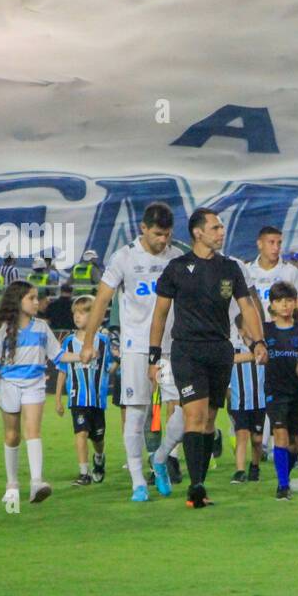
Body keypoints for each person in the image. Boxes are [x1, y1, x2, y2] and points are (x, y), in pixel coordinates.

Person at [148, 208, 266, 508]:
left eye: (221, 227)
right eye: (215, 227)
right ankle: (196, 487)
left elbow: (247, 307)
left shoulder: (231, 268)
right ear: (198, 232)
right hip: (188, 350)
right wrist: (153, 356)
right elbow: (160, 314)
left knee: (210, 420)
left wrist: (259, 341)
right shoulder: (177, 267)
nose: (221, 232)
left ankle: (198, 483)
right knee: (195, 415)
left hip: (220, 349)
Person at [78, 203, 184, 502]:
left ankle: (161, 457)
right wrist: (89, 342)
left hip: (171, 346)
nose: (163, 240)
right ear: (143, 228)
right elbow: (101, 301)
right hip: (136, 346)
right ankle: (138, 481)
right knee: (136, 412)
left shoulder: (176, 257)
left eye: (167, 234)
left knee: (186, 409)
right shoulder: (124, 257)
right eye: (158, 234)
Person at [0, 282, 80, 507]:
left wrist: (80, 357)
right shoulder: (3, 331)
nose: (37, 302)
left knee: (33, 431)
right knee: (12, 436)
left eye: (37, 298)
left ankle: (37, 482)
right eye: (32, 298)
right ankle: (12, 485)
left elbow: (58, 356)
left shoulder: (42, 328)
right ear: (18, 302)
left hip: (34, 384)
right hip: (8, 385)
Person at [260, 281, 298, 499]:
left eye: (289, 301)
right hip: (275, 391)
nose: (284, 305)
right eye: (279, 301)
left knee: (294, 443)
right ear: (272, 305)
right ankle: (283, 486)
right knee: (280, 434)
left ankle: (285, 474)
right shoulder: (266, 331)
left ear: (295, 303)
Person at [54, 295, 111, 486]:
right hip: (77, 397)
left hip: (97, 398)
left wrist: (120, 363)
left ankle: (99, 457)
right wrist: (58, 399)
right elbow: (62, 370)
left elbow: (110, 365)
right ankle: (84, 473)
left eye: (82, 313)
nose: (77, 317)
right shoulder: (68, 342)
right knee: (81, 433)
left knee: (98, 437)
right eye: (75, 313)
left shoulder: (103, 341)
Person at [226, 310, 267, 484]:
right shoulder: (234, 348)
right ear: (241, 331)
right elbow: (230, 359)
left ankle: (255, 466)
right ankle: (240, 471)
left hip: (260, 400)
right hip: (239, 400)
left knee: (257, 439)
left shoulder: (265, 348)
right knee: (241, 434)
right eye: (249, 327)